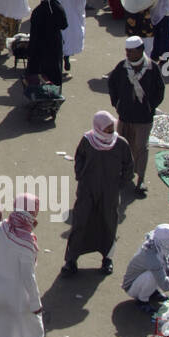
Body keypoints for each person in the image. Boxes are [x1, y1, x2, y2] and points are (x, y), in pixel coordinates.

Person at [60, 112, 134, 277]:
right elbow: (79, 158)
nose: (109, 130)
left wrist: (119, 185)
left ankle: (107, 259)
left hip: (110, 192)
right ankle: (71, 261)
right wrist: (81, 176)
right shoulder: (88, 141)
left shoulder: (120, 143)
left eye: (111, 127)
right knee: (81, 222)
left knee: (108, 223)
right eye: (106, 127)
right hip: (87, 190)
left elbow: (129, 167)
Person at [0, 194, 45, 337]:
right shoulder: (26, 243)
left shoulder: (1, 228)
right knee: (30, 335)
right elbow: (28, 277)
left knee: (4, 331)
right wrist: (36, 303)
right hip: (18, 296)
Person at [108, 36, 165, 198]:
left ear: (141, 51)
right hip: (125, 115)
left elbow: (160, 90)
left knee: (141, 147)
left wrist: (149, 106)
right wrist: (117, 103)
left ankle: (141, 179)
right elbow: (112, 84)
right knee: (122, 145)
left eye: (132, 51)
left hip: (143, 117)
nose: (129, 54)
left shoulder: (152, 68)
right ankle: (124, 174)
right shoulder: (122, 67)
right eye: (127, 51)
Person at [122, 224, 169, 307]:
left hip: (140, 278)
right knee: (152, 275)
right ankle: (142, 300)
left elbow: (168, 256)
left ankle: (153, 292)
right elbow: (165, 285)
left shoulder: (155, 243)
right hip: (131, 287)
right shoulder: (151, 257)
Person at [25, 0, 68, 85]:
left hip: (38, 42)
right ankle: (54, 89)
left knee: (39, 66)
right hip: (54, 42)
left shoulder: (37, 11)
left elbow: (33, 27)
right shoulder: (58, 8)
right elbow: (64, 25)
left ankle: (38, 89)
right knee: (53, 66)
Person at [55, 0, 87, 72]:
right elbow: (82, 1)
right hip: (72, 17)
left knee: (60, 40)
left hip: (58, 17)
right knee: (69, 39)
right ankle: (66, 58)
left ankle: (59, 62)